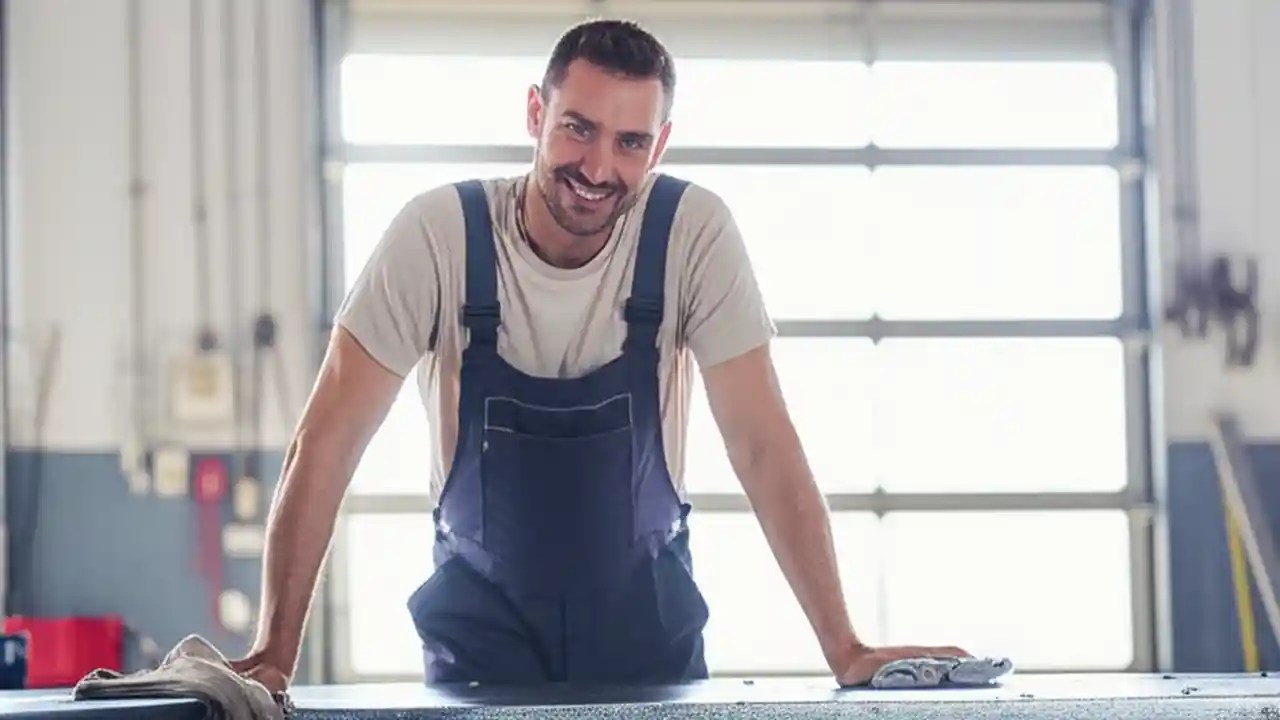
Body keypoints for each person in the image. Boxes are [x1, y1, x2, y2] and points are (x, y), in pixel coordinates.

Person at [231, 18, 966, 691]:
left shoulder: (692, 234)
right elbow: (324, 445)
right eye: (577, 129)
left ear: (661, 143)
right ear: (534, 114)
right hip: (479, 649)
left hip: (648, 639)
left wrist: (845, 647)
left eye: (630, 142)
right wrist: (273, 654)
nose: (597, 166)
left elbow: (763, 445)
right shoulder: (438, 236)